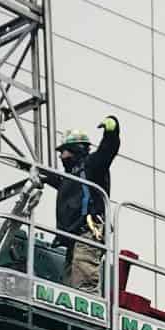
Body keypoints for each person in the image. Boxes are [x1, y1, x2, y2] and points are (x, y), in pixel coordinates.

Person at [48, 116, 120, 288]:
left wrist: (112, 130)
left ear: (75, 149)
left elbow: (108, 150)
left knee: (83, 280)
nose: (61, 156)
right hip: (75, 235)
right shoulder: (72, 176)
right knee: (70, 283)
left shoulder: (92, 165)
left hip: (88, 231)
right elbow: (64, 185)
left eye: (63, 151)